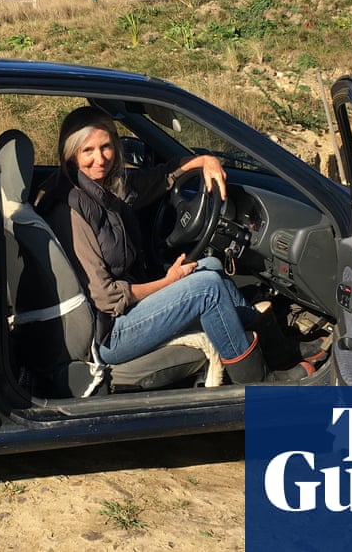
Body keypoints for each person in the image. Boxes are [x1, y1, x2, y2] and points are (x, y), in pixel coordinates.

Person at [36, 106, 309, 384]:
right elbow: (107, 299)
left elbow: (161, 177)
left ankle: (277, 352)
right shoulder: (70, 209)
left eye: (106, 147)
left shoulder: (105, 188)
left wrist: (204, 161)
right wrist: (169, 281)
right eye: (88, 151)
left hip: (119, 314)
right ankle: (260, 381)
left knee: (212, 266)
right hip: (108, 333)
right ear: (71, 154)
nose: (100, 159)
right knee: (208, 290)